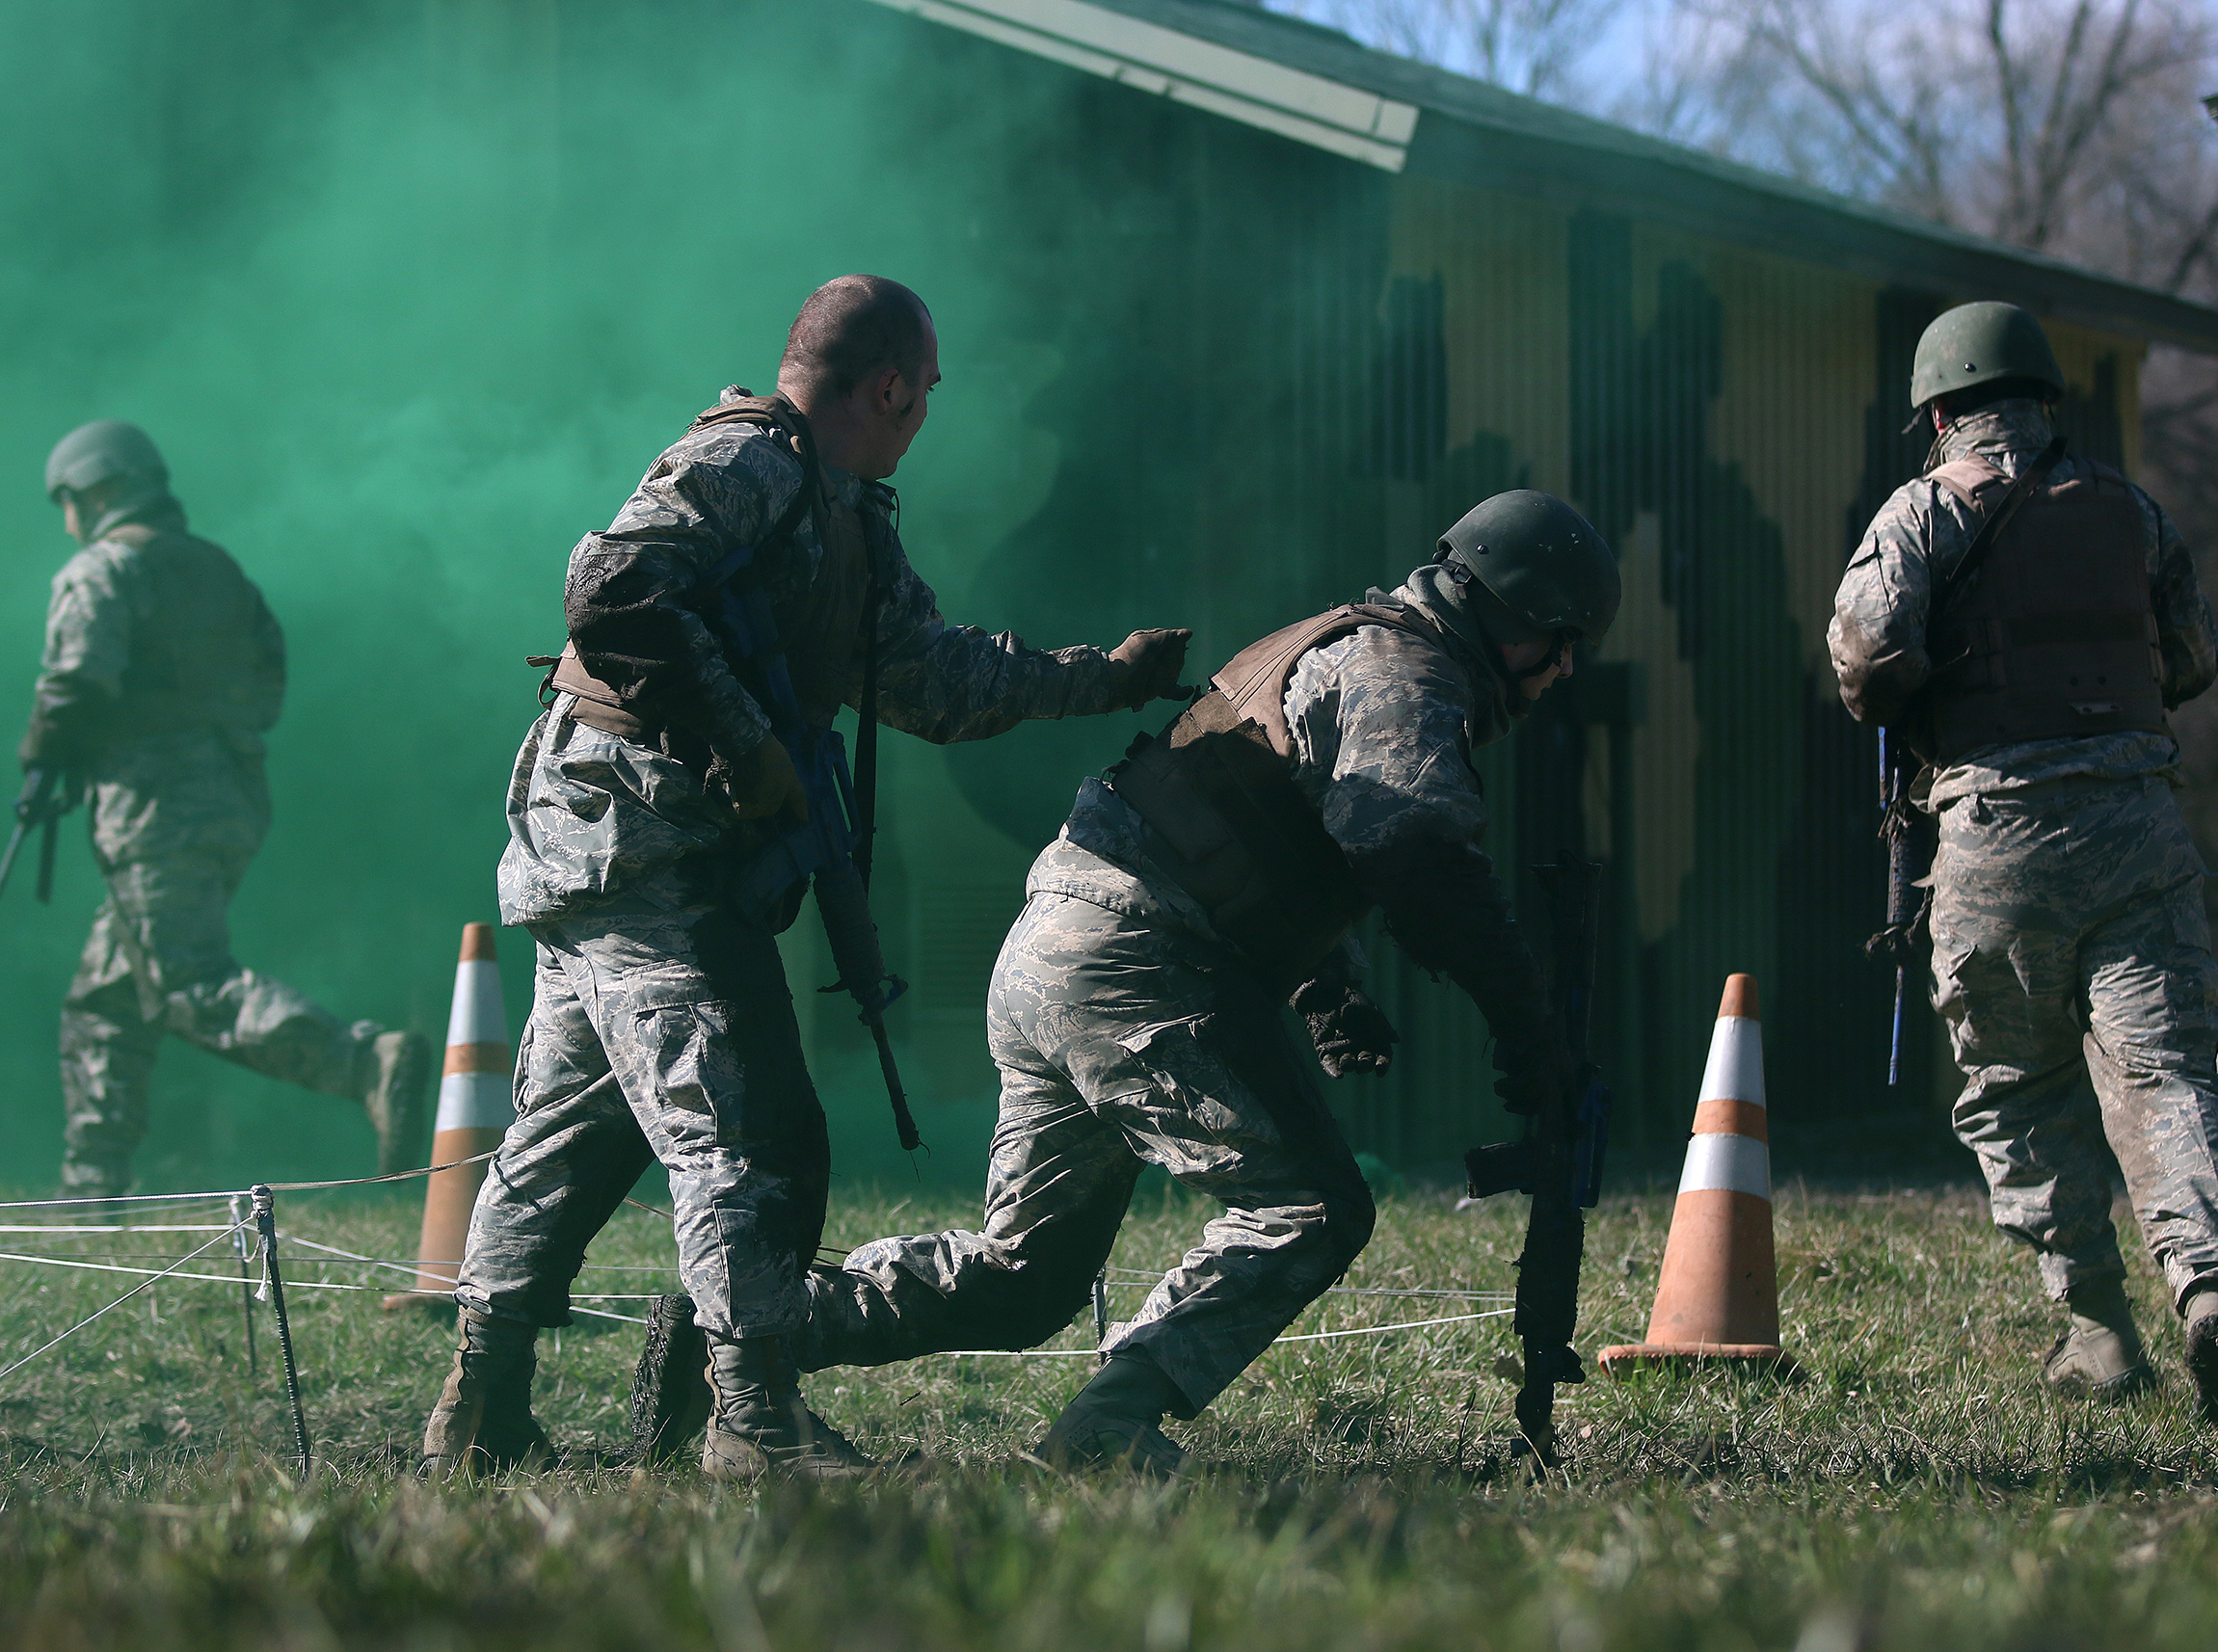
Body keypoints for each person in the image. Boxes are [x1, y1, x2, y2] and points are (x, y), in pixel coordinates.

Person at [419, 274, 1193, 1480]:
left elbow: (935, 680)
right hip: (641, 844)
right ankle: (754, 1418)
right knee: (749, 1127)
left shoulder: (841, 513)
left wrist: (1107, 676)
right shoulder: (752, 466)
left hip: (619, 848)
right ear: (886, 385)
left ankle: (481, 1411)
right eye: (925, 389)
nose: (927, 411)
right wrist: (746, 741)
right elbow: (612, 588)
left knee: (575, 1130)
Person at [780, 490, 1618, 1474]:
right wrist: (1526, 1024)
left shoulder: (1335, 642)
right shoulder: (1408, 667)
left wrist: (1325, 985)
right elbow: (1414, 850)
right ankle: (1108, 1425)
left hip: (1061, 944)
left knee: (1025, 1276)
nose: (1562, 667)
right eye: (1555, 638)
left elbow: (1258, 821)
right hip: (1141, 958)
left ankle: (748, 1334)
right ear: (1493, 605)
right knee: (1311, 1205)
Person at [1830, 301, 2218, 1421]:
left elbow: (1867, 657)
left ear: (1938, 409)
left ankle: (2099, 1327)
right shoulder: (2133, 511)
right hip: (2137, 822)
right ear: (2044, 398)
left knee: (2021, 1090)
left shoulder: (1922, 509)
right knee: (2166, 1069)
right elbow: (2198, 656)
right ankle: (2207, 1282)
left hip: (1998, 832)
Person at [23, 420, 434, 1198]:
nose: (69, 520)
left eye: (69, 501)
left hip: (151, 807)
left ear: (99, 488)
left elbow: (76, 681)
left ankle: (363, 1062)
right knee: (105, 999)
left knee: (184, 983)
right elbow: (268, 684)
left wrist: (46, 753)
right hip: (230, 793)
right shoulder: (218, 571)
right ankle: (90, 1187)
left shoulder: (102, 569)